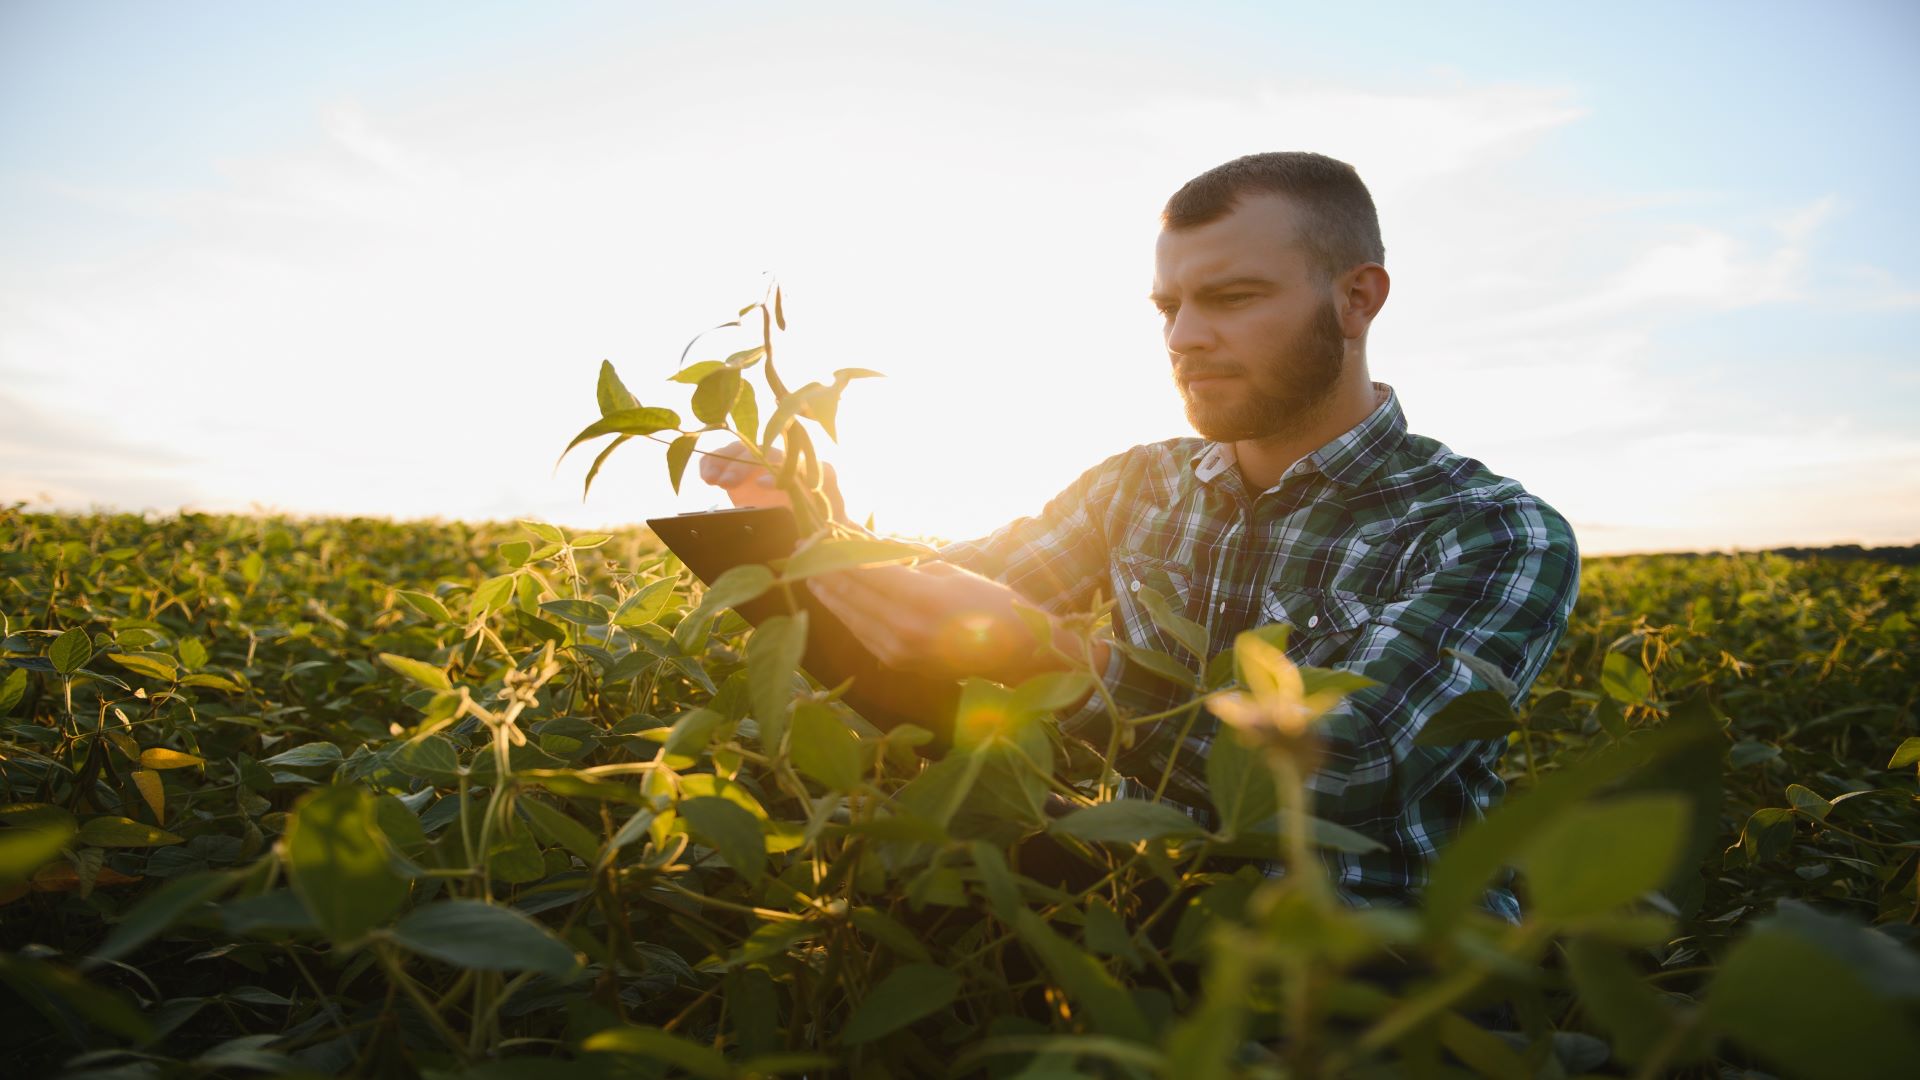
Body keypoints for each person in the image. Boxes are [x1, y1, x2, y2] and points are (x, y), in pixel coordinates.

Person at [698, 151, 1579, 922]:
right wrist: (806, 522)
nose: (1186, 338)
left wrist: (1056, 666)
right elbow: (949, 589)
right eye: (1169, 306)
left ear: (1356, 298)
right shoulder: (1135, 484)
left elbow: (1352, 765)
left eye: (1232, 298)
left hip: (1374, 975)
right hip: (1127, 924)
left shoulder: (1491, 530)